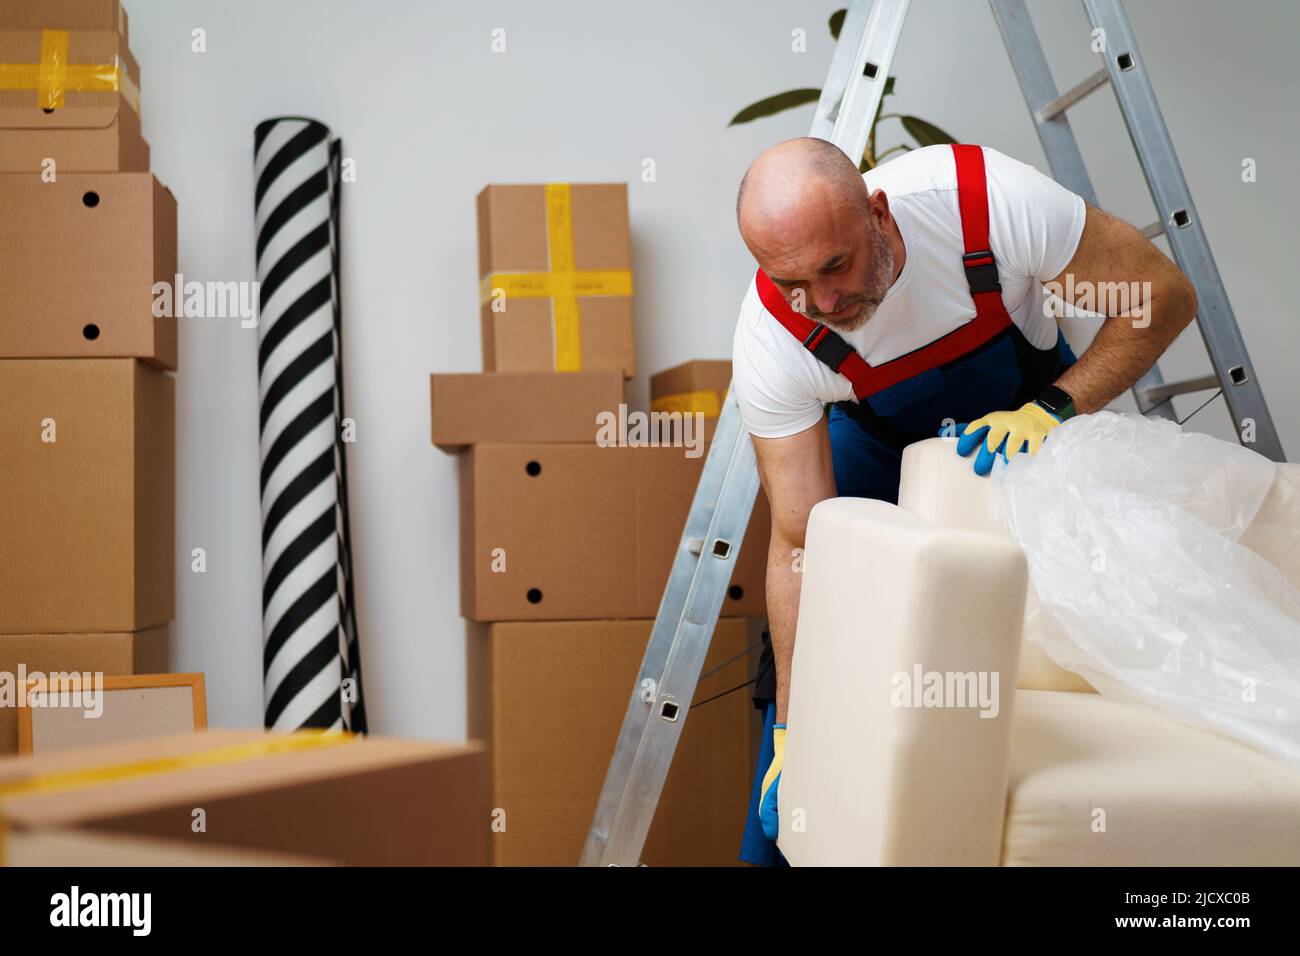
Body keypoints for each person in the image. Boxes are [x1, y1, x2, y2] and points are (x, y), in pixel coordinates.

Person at [731, 138, 1198, 865]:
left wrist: (1052, 410)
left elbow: (1161, 296)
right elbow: (797, 544)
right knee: (821, 619)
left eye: (836, 266)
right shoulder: (771, 337)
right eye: (793, 282)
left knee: (1088, 605)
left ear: (880, 214)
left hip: (1032, 415)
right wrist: (792, 727)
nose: (822, 302)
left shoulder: (985, 204)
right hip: (878, 442)